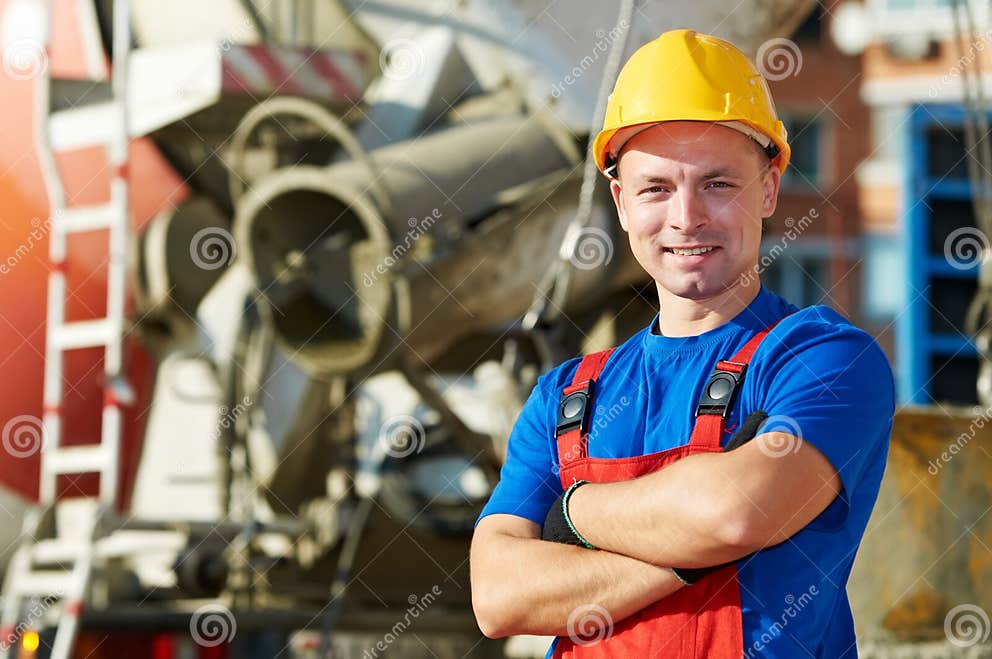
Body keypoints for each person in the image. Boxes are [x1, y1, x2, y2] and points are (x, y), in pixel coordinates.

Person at [470, 29, 895, 658]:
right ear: (619, 201)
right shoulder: (566, 397)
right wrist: (691, 554)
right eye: (656, 188)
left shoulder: (823, 359)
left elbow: (735, 515)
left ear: (771, 188)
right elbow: (498, 596)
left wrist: (575, 513)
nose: (686, 216)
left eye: (719, 184)